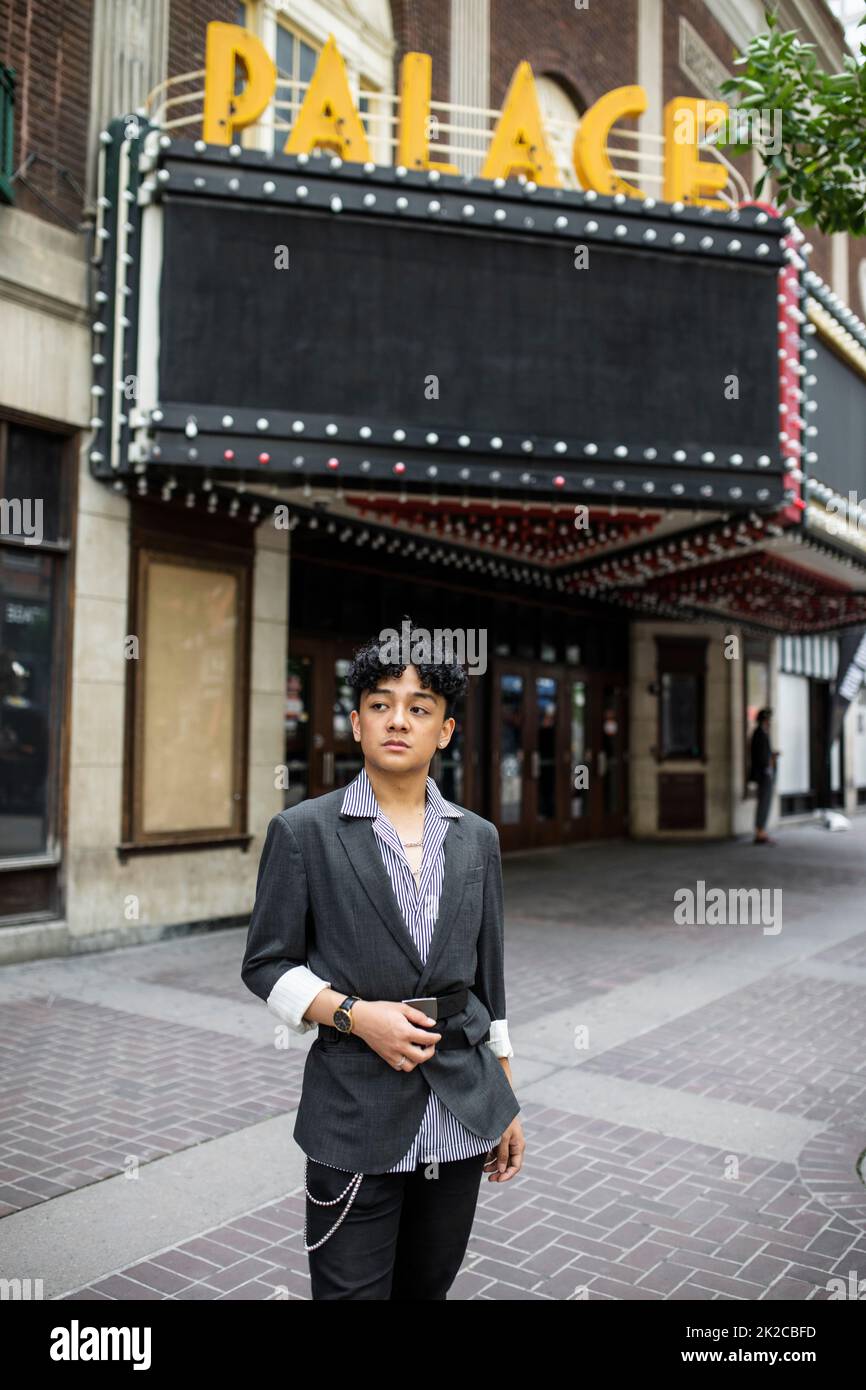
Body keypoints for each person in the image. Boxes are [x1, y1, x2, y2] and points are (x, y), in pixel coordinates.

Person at [241, 620, 524, 1299]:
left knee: (427, 1290)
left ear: (445, 731)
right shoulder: (304, 832)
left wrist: (505, 1098)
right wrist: (352, 1014)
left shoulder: (477, 839)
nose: (399, 719)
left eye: (420, 707)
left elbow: (492, 980)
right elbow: (265, 964)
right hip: (354, 1113)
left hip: (461, 1106)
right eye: (380, 704)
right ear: (357, 723)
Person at [749, 707, 778, 845]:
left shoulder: (763, 733)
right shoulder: (759, 733)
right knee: (764, 802)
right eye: (768, 719)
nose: (770, 722)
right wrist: (769, 760)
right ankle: (760, 831)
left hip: (766, 772)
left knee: (765, 802)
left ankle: (761, 830)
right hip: (763, 774)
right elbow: (759, 756)